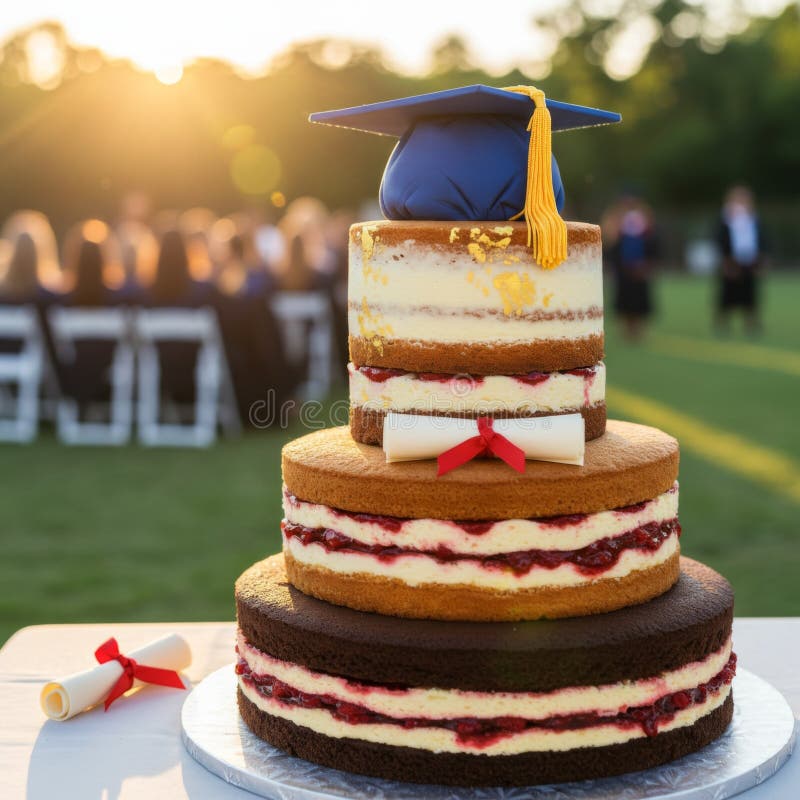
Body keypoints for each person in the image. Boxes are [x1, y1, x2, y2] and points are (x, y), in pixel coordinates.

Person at [604, 196, 659, 342]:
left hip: (642, 268)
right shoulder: (616, 219)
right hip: (623, 269)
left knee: (640, 299)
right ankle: (626, 330)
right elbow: (612, 243)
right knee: (624, 299)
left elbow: (653, 242)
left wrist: (647, 264)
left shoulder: (645, 218)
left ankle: (639, 330)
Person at [715, 185, 766, 335]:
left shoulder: (754, 219)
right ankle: (722, 324)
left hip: (749, 261)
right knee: (727, 295)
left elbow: (762, 239)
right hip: (731, 262)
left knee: (750, 295)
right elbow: (720, 240)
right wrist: (726, 260)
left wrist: (761, 259)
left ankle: (750, 324)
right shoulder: (725, 219)